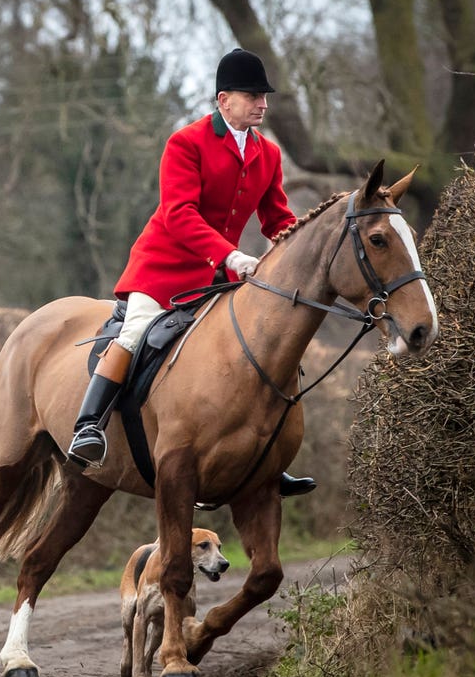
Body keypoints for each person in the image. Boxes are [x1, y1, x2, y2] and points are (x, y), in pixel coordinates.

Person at [66, 48, 316, 497]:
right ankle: (89, 427)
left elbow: (277, 218)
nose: (262, 103)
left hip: (219, 278)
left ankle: (263, 457)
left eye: (264, 96)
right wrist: (231, 256)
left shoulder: (269, 153)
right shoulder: (186, 143)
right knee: (136, 330)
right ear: (223, 99)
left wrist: (298, 247)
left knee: (261, 344)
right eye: (252, 95)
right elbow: (178, 213)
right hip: (163, 269)